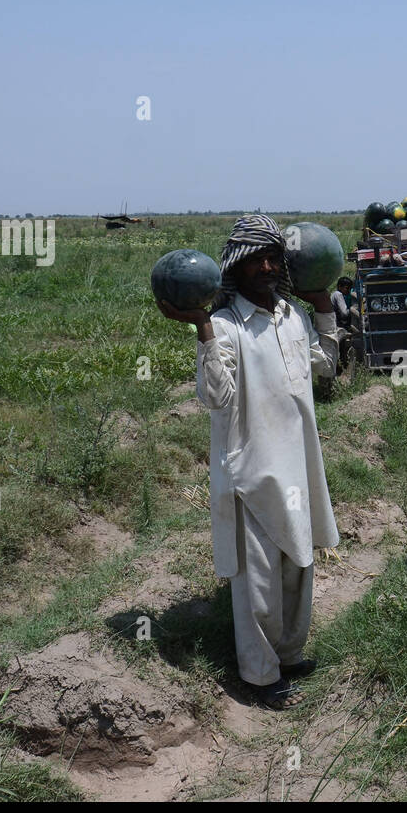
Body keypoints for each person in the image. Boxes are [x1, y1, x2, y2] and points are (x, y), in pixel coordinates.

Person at [156, 214, 340, 709]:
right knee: (257, 583)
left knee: (300, 562)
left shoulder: (291, 316)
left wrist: (324, 308)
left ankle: (288, 654)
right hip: (251, 469)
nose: (265, 266)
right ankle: (259, 677)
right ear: (235, 267)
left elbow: (324, 365)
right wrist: (201, 330)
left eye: (273, 257)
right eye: (255, 258)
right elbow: (215, 397)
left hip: (300, 464)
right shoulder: (224, 324)